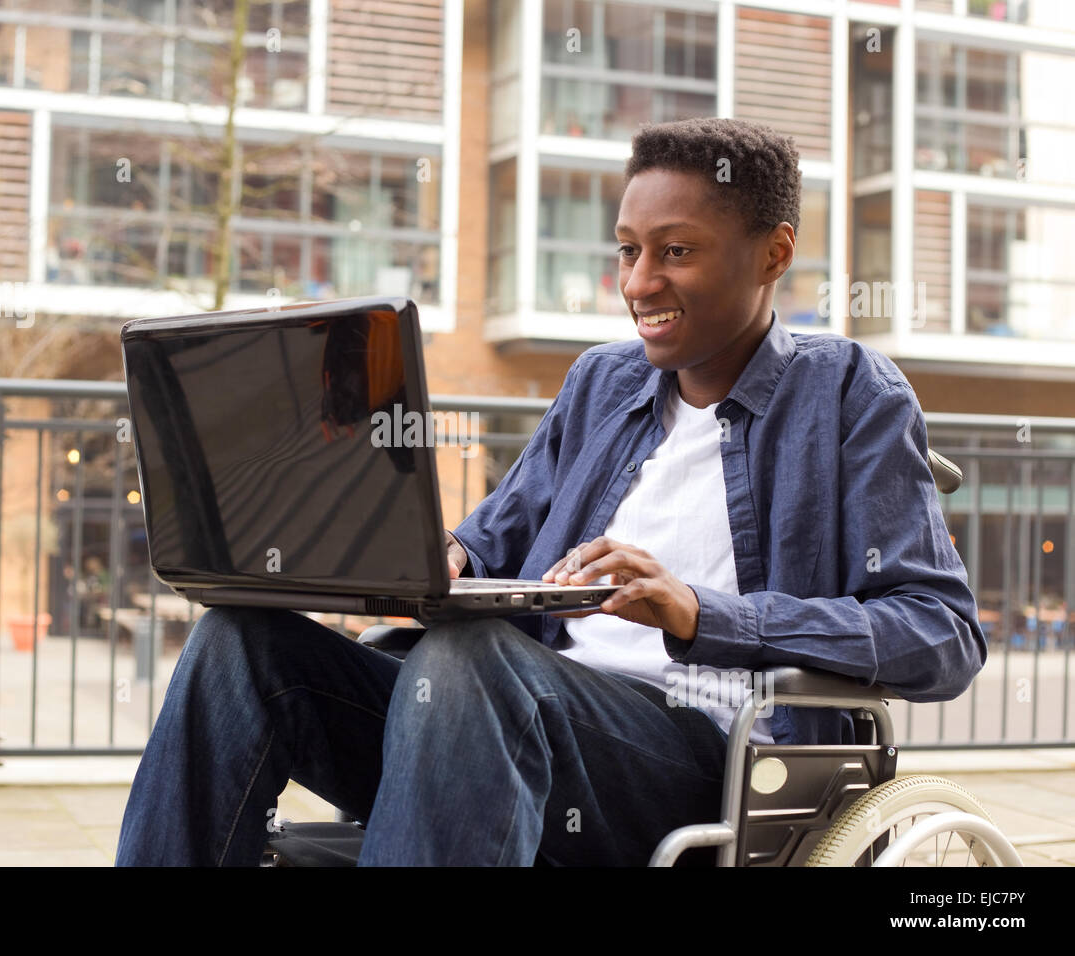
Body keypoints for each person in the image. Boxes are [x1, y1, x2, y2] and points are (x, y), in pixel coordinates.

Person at [114, 117, 987, 867]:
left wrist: (699, 614)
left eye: (676, 251)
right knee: (242, 644)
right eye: (628, 250)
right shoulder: (601, 385)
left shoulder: (849, 393)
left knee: (474, 662)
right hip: (495, 724)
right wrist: (424, 558)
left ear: (776, 252)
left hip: (709, 762)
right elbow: (491, 538)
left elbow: (942, 636)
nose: (640, 282)